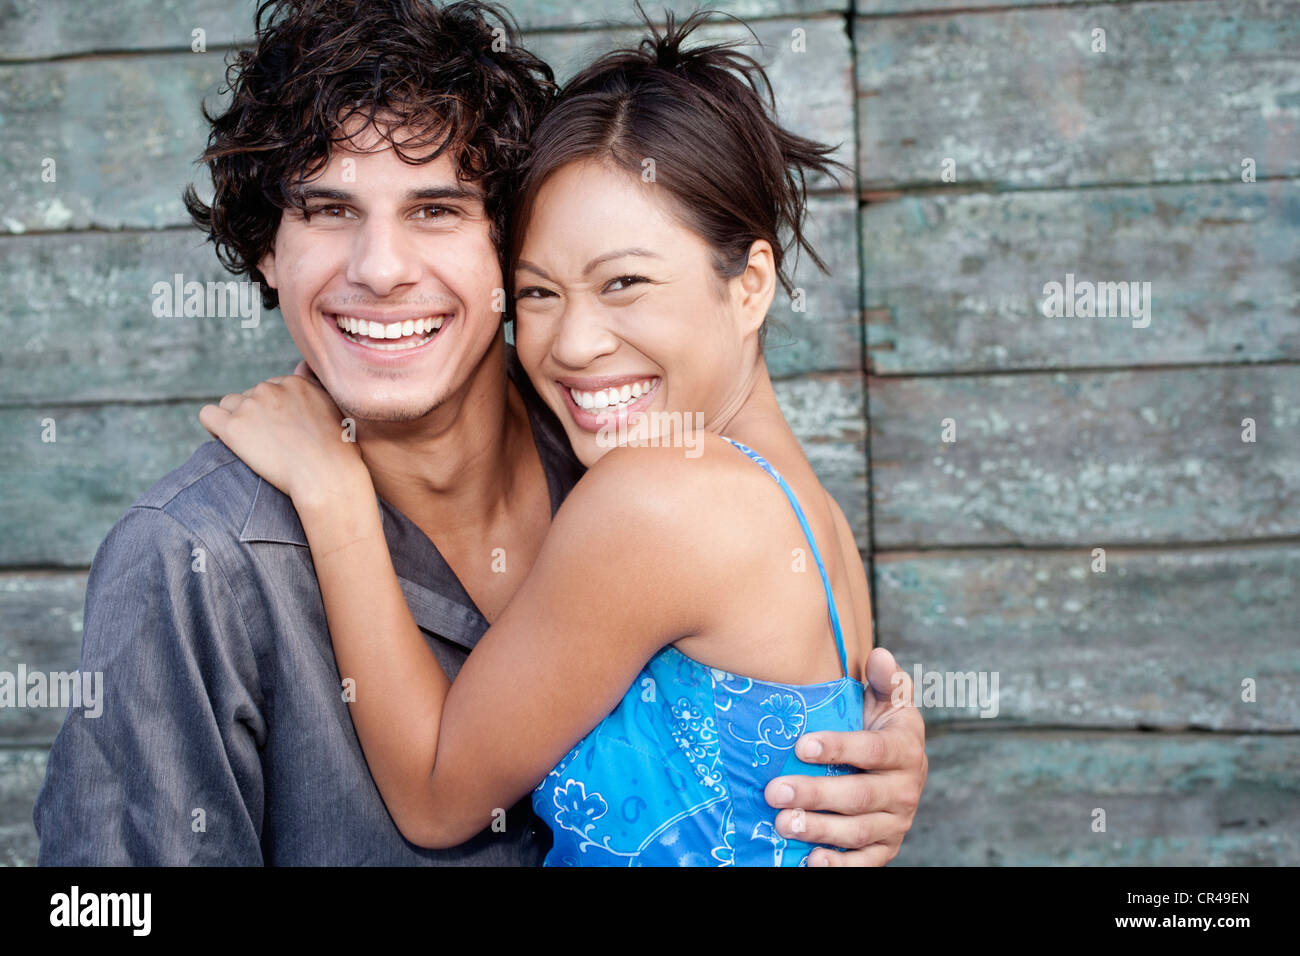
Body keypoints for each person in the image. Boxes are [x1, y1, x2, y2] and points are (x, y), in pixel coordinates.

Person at [34, 0, 925, 866]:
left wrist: (859, 783)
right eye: (328, 209)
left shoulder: (612, 446)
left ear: (502, 243)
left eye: (436, 209)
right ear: (268, 249)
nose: (380, 269)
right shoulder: (193, 563)